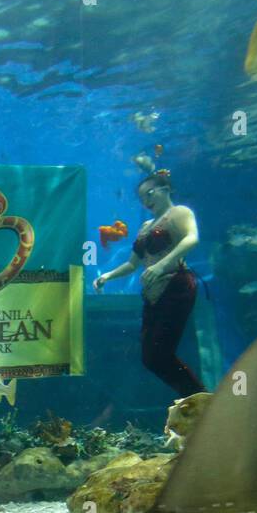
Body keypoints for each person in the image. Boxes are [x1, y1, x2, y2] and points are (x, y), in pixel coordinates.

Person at [93, 169, 206, 398]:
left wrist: (162, 265)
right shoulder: (145, 227)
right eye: (142, 197)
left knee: (160, 353)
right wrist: (107, 276)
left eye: (150, 193)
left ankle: (199, 399)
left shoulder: (179, 212)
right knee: (150, 357)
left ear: (165, 189)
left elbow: (192, 237)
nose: (146, 201)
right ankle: (195, 399)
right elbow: (132, 264)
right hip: (153, 295)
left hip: (176, 286)